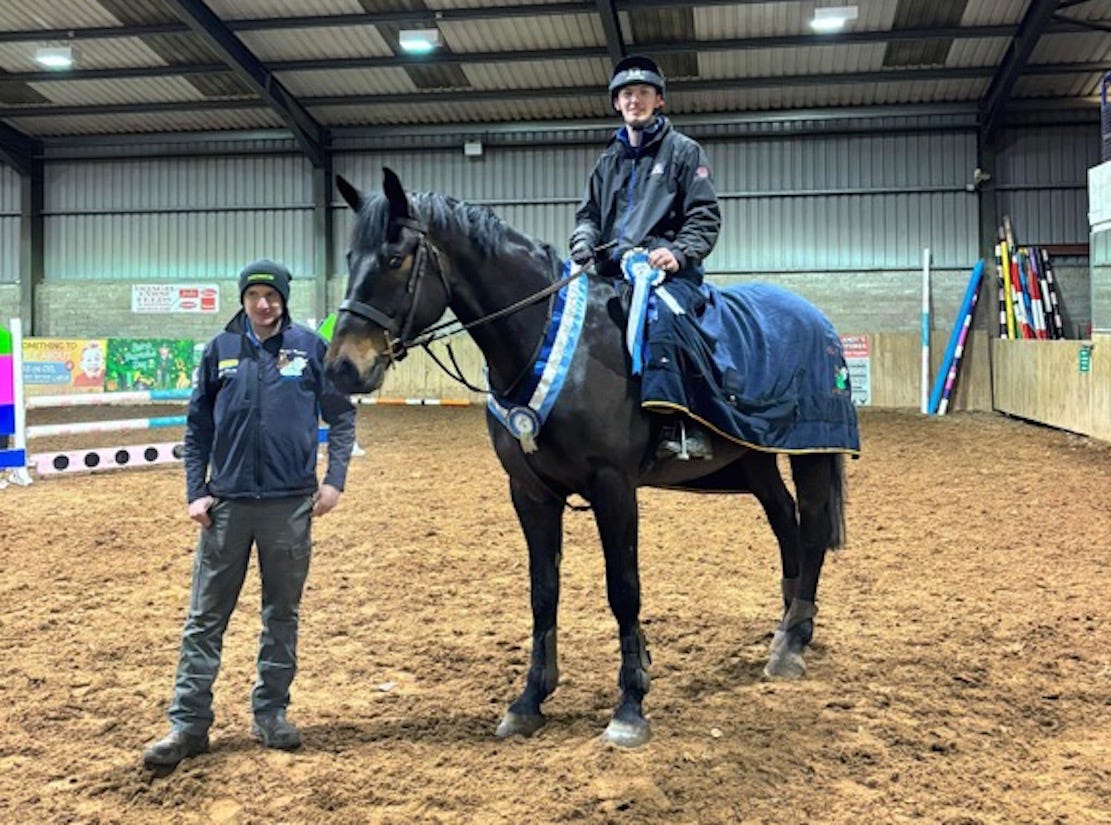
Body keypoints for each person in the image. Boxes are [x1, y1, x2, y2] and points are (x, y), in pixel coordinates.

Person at [143, 258, 356, 769]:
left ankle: (271, 713)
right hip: (227, 508)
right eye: (255, 295)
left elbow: (342, 417)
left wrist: (334, 481)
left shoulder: (309, 349)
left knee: (281, 615)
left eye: (272, 296)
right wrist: (196, 491)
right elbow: (197, 428)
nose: (264, 304)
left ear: (284, 300)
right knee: (205, 618)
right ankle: (188, 724)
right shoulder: (219, 350)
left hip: (290, 507)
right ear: (242, 299)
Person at [568, 55, 722, 460]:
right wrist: (583, 242)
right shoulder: (607, 162)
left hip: (665, 272)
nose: (634, 100)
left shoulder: (684, 153)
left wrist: (678, 253)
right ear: (616, 103)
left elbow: (704, 216)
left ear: (659, 101)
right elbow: (589, 216)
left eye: (643, 93)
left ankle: (683, 423)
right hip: (612, 271)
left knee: (666, 316)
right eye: (626, 94)